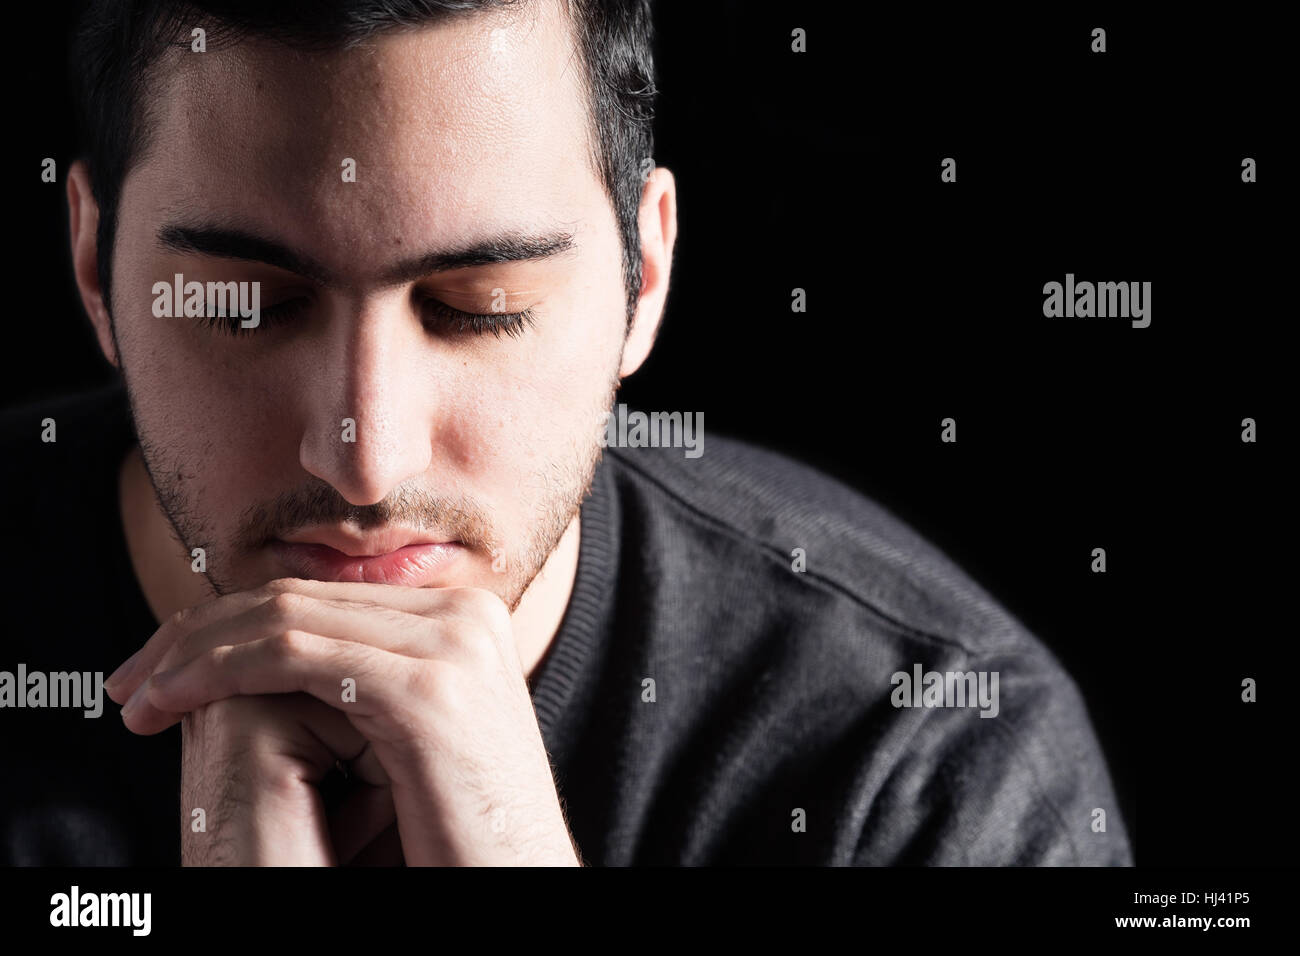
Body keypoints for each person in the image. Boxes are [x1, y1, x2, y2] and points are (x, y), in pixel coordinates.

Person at [0, 0, 1130, 865]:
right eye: (245, 307)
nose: (364, 457)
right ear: (96, 264)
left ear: (644, 277)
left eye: (477, 308)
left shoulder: (921, 759)